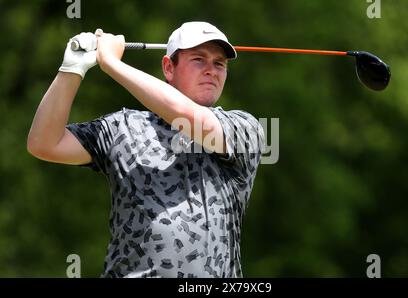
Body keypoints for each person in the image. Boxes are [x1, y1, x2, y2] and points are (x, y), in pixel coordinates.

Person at [27, 22, 265, 278]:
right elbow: (44, 143)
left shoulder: (245, 128)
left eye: (219, 63)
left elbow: (188, 115)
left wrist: (111, 64)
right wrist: (71, 69)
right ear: (168, 68)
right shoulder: (124, 127)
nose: (211, 70)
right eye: (199, 59)